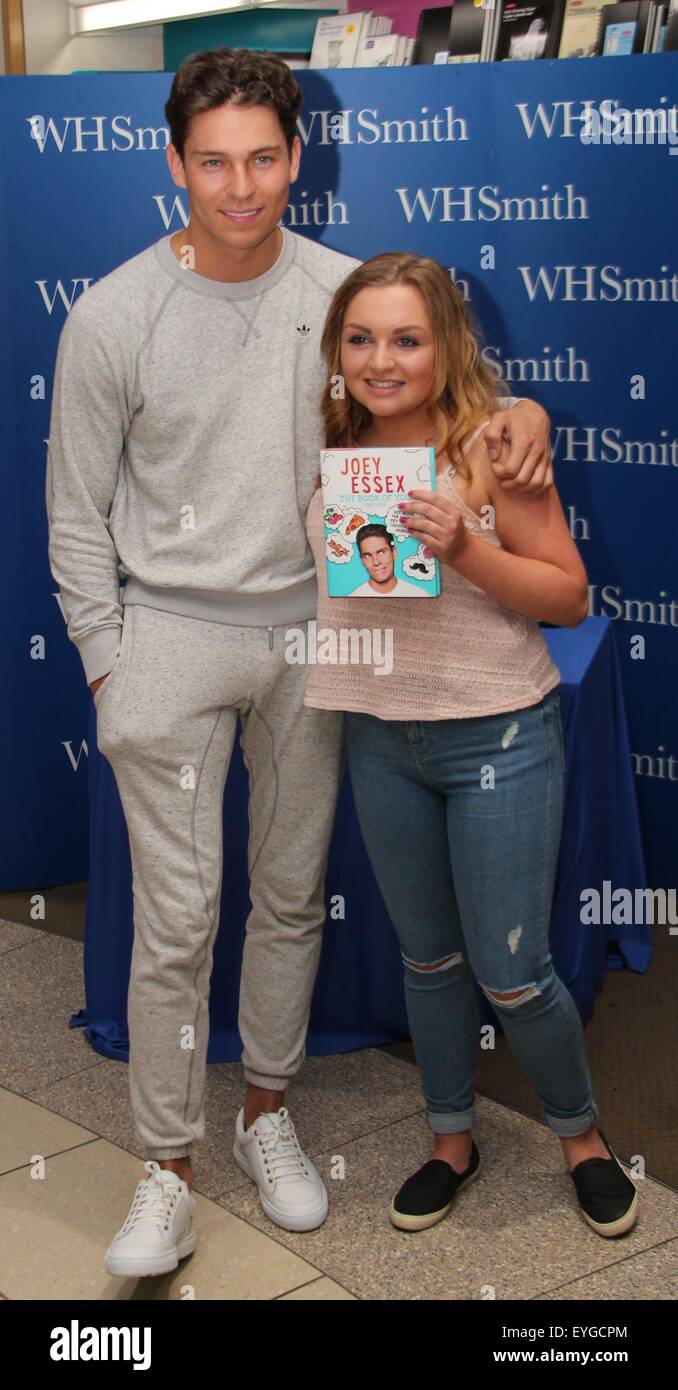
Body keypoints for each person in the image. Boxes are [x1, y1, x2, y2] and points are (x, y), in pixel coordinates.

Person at [45, 47, 555, 1277]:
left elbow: (442, 405)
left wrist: (524, 418)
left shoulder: (340, 295)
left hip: (314, 632)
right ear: (175, 162)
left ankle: (265, 1111)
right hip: (167, 636)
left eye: (263, 158)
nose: (238, 186)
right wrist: (110, 668)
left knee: (285, 894)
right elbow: (73, 510)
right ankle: (165, 1166)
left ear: (297, 157)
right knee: (177, 922)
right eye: (212, 160)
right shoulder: (113, 313)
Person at [304, 251, 638, 1239]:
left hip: (498, 735)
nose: (382, 358)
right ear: (337, 353)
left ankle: (581, 1138)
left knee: (513, 968)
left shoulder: (493, 446)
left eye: (407, 337)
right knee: (430, 960)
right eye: (361, 338)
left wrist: (466, 548)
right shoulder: (331, 446)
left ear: (446, 345)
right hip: (379, 737)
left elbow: (568, 595)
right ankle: (452, 1139)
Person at [351, 524, 427, 596]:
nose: (376, 562)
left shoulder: (419, 594)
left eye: (381, 552)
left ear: (394, 552)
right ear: (362, 560)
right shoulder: (353, 598)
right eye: (367, 556)